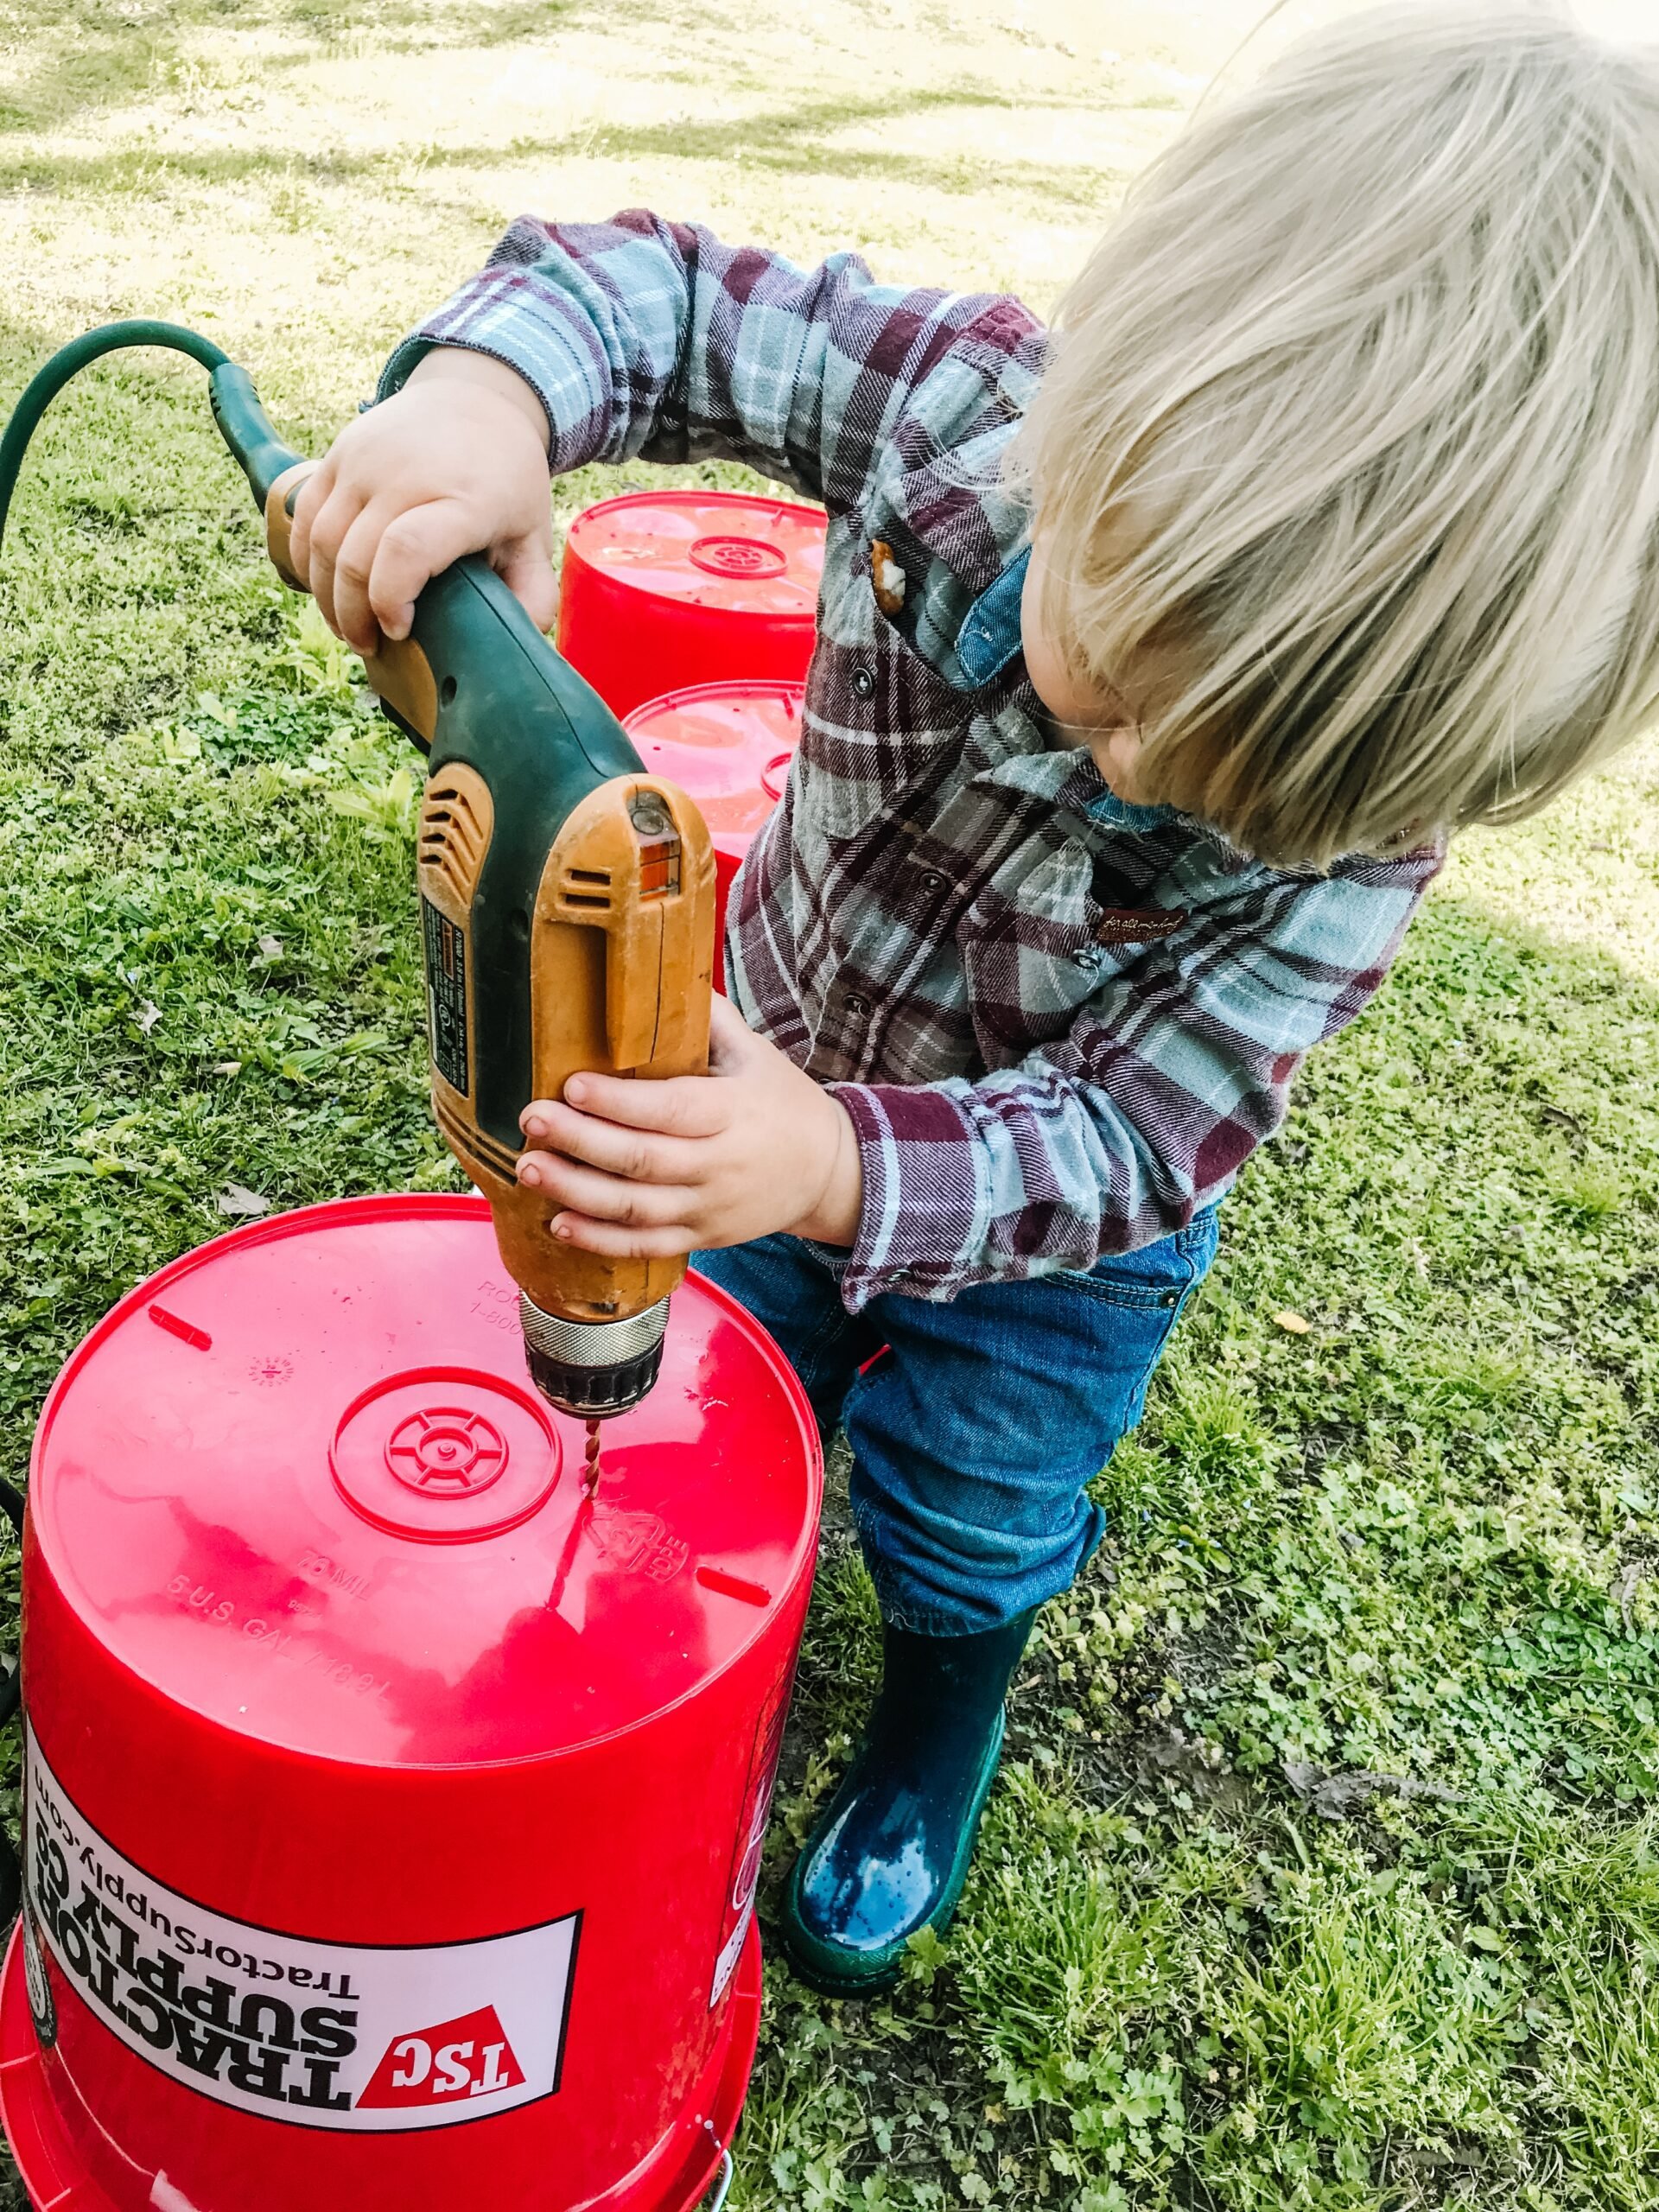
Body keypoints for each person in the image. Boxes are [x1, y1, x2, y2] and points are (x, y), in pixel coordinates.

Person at [286, 2, 1659, 1995]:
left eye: (1217, 789)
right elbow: (646, 290)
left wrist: (830, 1161)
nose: (1123, 771)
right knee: (675, 1388)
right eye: (1118, 665)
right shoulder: (956, 395)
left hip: (1045, 1244)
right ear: (1102, 408)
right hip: (753, 1049)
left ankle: (938, 1719)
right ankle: (663, 1657)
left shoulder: (1363, 840)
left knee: (964, 1505)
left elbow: (1131, 1131)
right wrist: (491, 397)